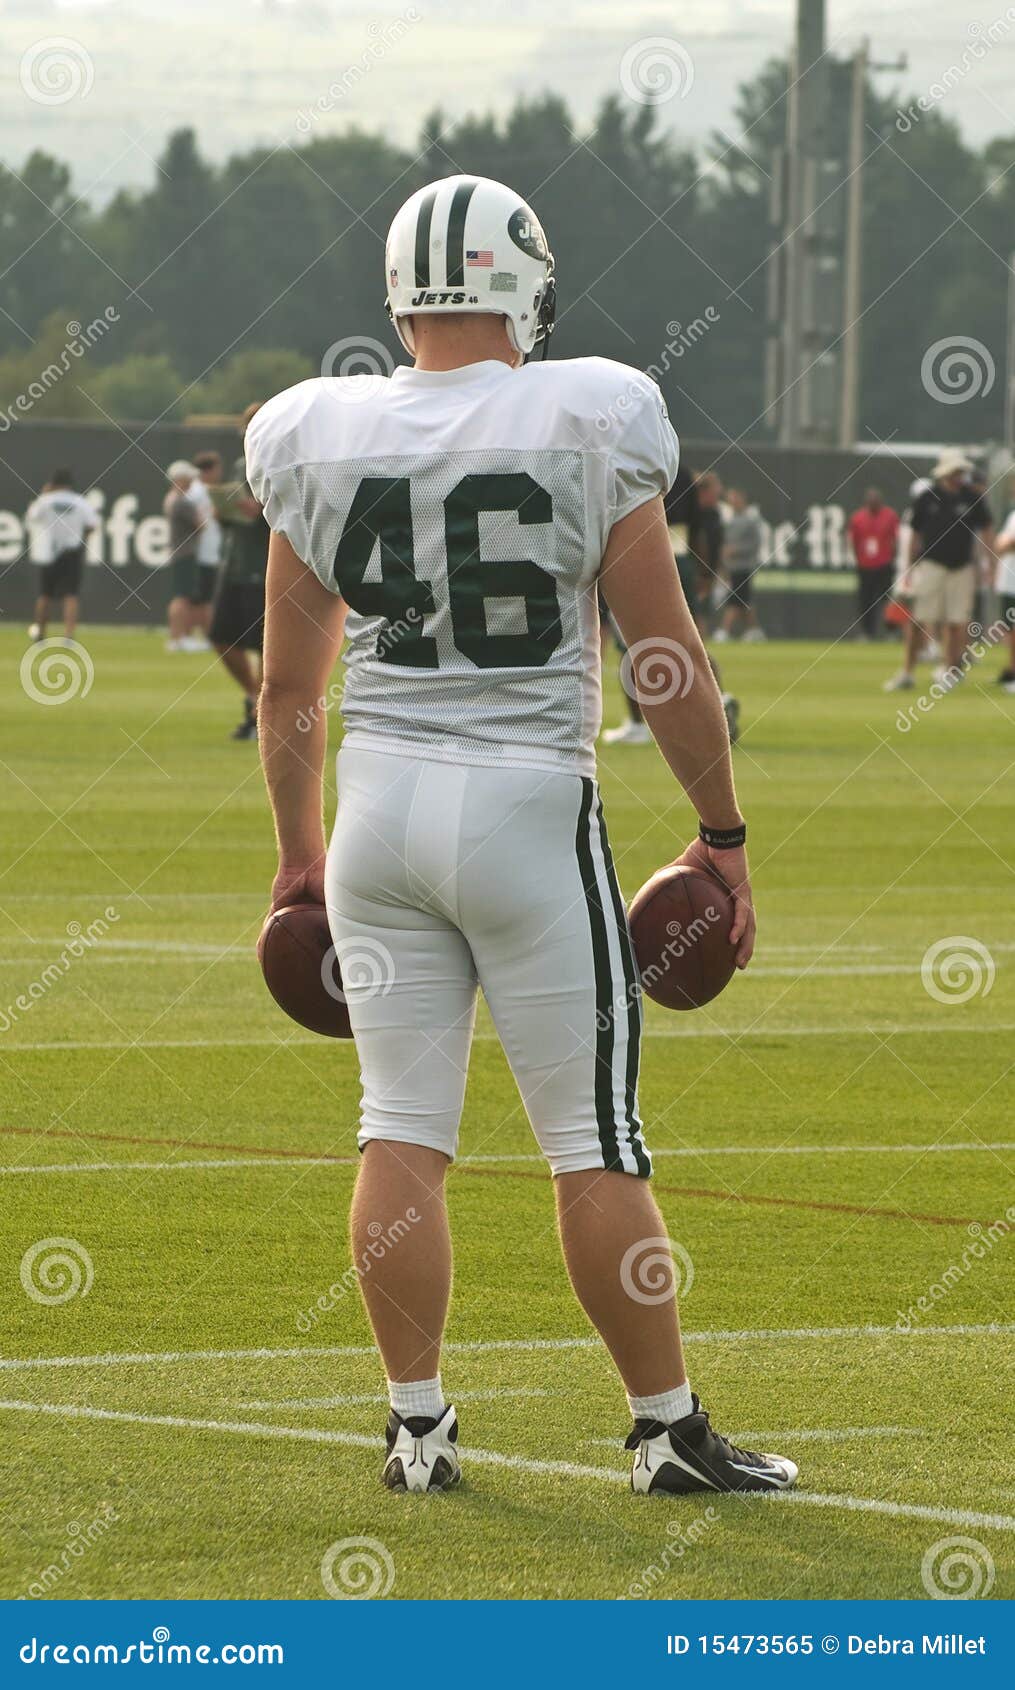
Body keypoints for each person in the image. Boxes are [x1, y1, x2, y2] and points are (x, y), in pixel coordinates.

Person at [248, 172, 797, 1499]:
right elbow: (660, 657)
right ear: (522, 286)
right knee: (591, 1137)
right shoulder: (587, 414)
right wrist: (719, 831)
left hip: (377, 812)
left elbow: (283, 688)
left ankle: (416, 1429)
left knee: (400, 1129)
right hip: (525, 808)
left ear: (402, 292)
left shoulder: (317, 434)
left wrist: (297, 850)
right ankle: (666, 1432)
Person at [889, 452, 994, 691]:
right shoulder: (927, 498)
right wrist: (908, 568)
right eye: (955, 472)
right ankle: (907, 671)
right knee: (920, 620)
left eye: (961, 472)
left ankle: (948, 670)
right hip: (932, 565)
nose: (959, 477)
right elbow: (914, 535)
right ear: (945, 473)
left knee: (956, 622)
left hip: (962, 567)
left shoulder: (972, 499)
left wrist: (990, 564)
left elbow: (987, 529)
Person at [209, 404, 268, 740]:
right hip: (234, 563)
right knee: (220, 636)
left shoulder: (282, 462)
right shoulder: (238, 465)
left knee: (264, 645)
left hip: (263, 567)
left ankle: (262, 715)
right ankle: (254, 696)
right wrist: (223, 511)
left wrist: (260, 511)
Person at [25, 469, 97, 643]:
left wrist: (43, 495)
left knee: (45, 594)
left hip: (49, 551)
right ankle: (69, 635)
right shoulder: (80, 501)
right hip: (72, 552)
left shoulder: (45, 500)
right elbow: (92, 525)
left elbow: (32, 517)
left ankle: (41, 632)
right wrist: (80, 537)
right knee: (71, 594)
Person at [183, 449, 225, 647]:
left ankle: (198, 635)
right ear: (209, 470)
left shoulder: (202, 490)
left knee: (203, 596)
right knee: (200, 597)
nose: (219, 473)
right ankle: (196, 635)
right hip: (202, 551)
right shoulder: (197, 492)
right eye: (217, 469)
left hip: (209, 550)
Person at [163, 461, 206, 652]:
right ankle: (179, 637)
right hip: (185, 552)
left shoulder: (172, 499)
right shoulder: (181, 502)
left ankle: (178, 637)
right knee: (182, 597)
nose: (191, 482)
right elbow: (201, 524)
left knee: (181, 596)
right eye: (188, 479)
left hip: (179, 552)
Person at [847, 486, 899, 641]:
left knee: (887, 600)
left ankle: (891, 631)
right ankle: (867, 632)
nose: (873, 503)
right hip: (865, 565)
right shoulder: (858, 518)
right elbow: (854, 541)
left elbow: (895, 539)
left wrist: (891, 557)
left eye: (875, 500)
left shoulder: (890, 516)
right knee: (865, 600)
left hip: (884, 564)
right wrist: (859, 559)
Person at [716, 487, 765, 643]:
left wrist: (735, 550)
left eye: (735, 498)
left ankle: (724, 631)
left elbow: (755, 544)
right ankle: (754, 630)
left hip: (744, 566)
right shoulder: (729, 520)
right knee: (744, 601)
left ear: (742, 499)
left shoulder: (750, 521)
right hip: (732, 567)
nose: (732, 501)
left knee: (735, 599)